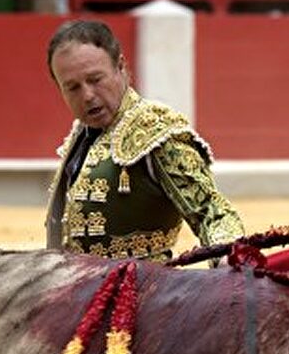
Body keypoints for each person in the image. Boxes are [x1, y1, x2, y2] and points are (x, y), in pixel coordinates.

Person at [43, 20, 244, 261]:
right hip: (78, 286)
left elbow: (213, 212)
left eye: (96, 79)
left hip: (142, 290)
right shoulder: (81, 134)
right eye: (73, 87)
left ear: (121, 67)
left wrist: (227, 259)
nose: (87, 95)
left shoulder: (154, 130)